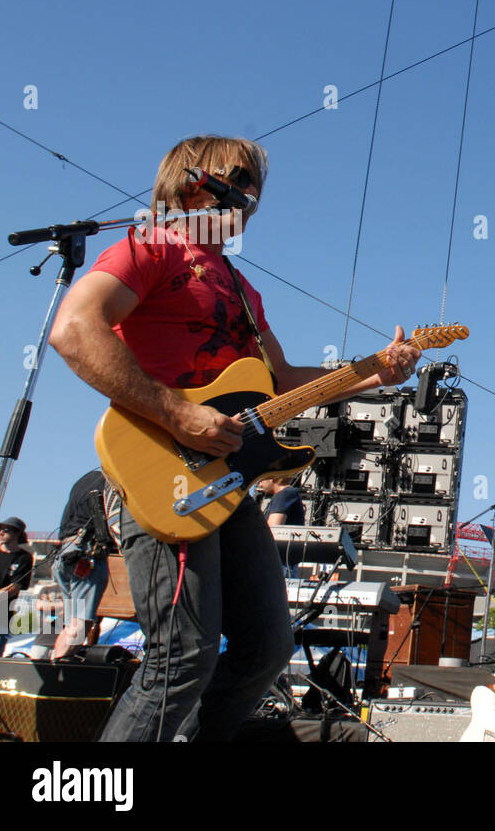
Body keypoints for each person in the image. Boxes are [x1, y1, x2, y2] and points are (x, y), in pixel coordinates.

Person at [50, 135, 420, 741]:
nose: (248, 195)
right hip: (162, 469)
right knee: (182, 658)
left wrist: (374, 369)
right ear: (192, 178)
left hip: (224, 484)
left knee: (266, 649)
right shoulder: (151, 247)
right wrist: (177, 414)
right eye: (237, 177)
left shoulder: (244, 290)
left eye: (254, 185)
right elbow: (74, 328)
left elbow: (280, 383)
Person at [50, 470, 118, 660]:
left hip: (65, 553)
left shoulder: (84, 480)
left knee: (72, 623)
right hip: (87, 556)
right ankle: (57, 666)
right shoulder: (111, 481)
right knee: (79, 627)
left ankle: (56, 662)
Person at [0, 518, 33, 671]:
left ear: (17, 534)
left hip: (0, 616)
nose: (2, 533)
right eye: (0, 530)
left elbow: (14, 588)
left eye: (7, 530)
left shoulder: (24, 558)